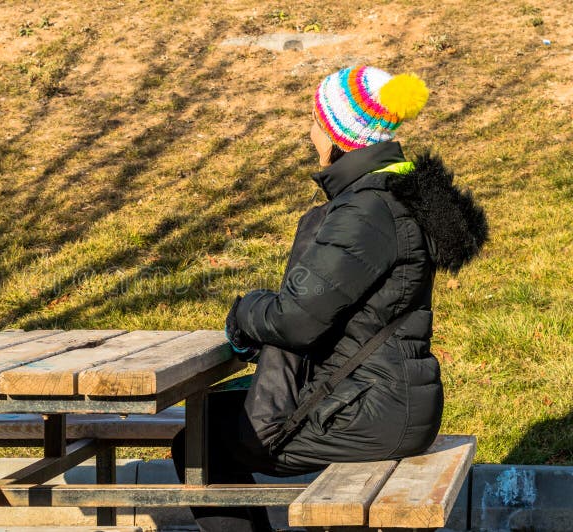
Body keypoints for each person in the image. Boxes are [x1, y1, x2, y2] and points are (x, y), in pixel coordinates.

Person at [171, 65, 489, 532]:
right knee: (209, 423)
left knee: (201, 442)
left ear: (338, 135)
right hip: (386, 398)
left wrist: (243, 310)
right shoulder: (389, 196)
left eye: (315, 120)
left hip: (371, 411)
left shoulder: (366, 210)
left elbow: (295, 320)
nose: (310, 131)